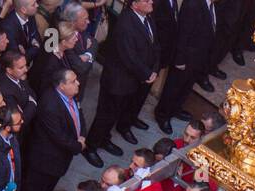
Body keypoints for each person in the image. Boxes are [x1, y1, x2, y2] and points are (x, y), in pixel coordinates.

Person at [84, 0, 158, 166]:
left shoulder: (147, 18)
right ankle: (91, 146)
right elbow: (129, 55)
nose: (151, 2)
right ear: (135, 4)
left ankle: (104, 138)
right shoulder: (126, 24)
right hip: (117, 80)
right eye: (146, 0)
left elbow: (155, 44)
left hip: (132, 79)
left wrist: (154, 68)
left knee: (116, 112)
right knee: (105, 114)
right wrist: (146, 73)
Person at [17, 69, 86, 191]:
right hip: (45, 160)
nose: (78, 83)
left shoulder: (71, 95)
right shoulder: (50, 105)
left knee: (46, 190)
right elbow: (58, 136)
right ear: (61, 86)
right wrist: (78, 145)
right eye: (73, 81)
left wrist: (83, 135)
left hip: (59, 159)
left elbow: (79, 115)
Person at [153, 0, 215, 134]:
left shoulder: (211, 5)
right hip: (185, 58)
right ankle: (162, 115)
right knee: (173, 88)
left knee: (185, 87)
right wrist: (179, 59)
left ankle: (175, 109)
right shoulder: (193, 4)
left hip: (196, 59)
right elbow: (183, 32)